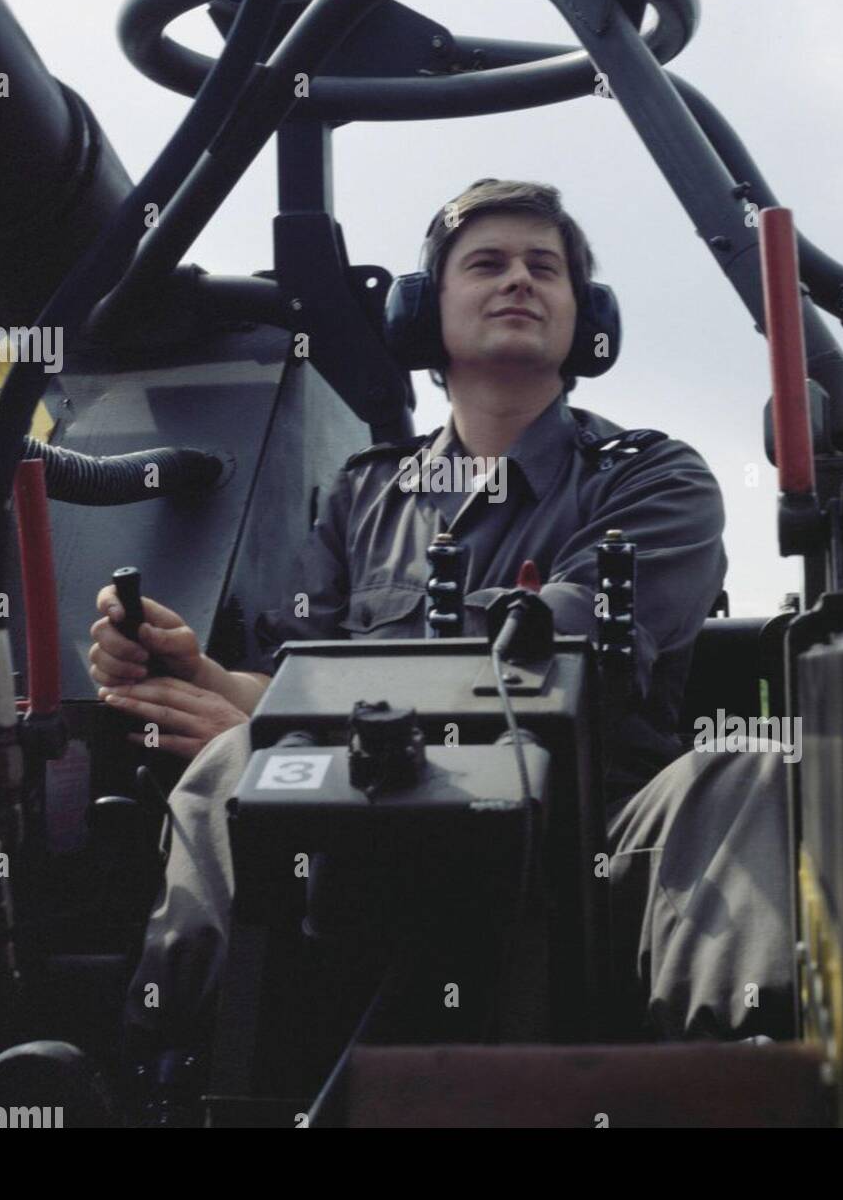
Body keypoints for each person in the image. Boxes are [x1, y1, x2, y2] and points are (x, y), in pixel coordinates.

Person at [88, 179, 794, 1076]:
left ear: (587, 318)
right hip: (360, 827)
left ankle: (735, 1084)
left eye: (546, 268)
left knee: (748, 769)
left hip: (591, 843)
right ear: (425, 312)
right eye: (487, 264)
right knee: (232, 764)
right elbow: (301, 679)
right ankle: (167, 1075)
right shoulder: (361, 495)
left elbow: (554, 653)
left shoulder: (652, 477)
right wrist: (206, 680)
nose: (519, 283)